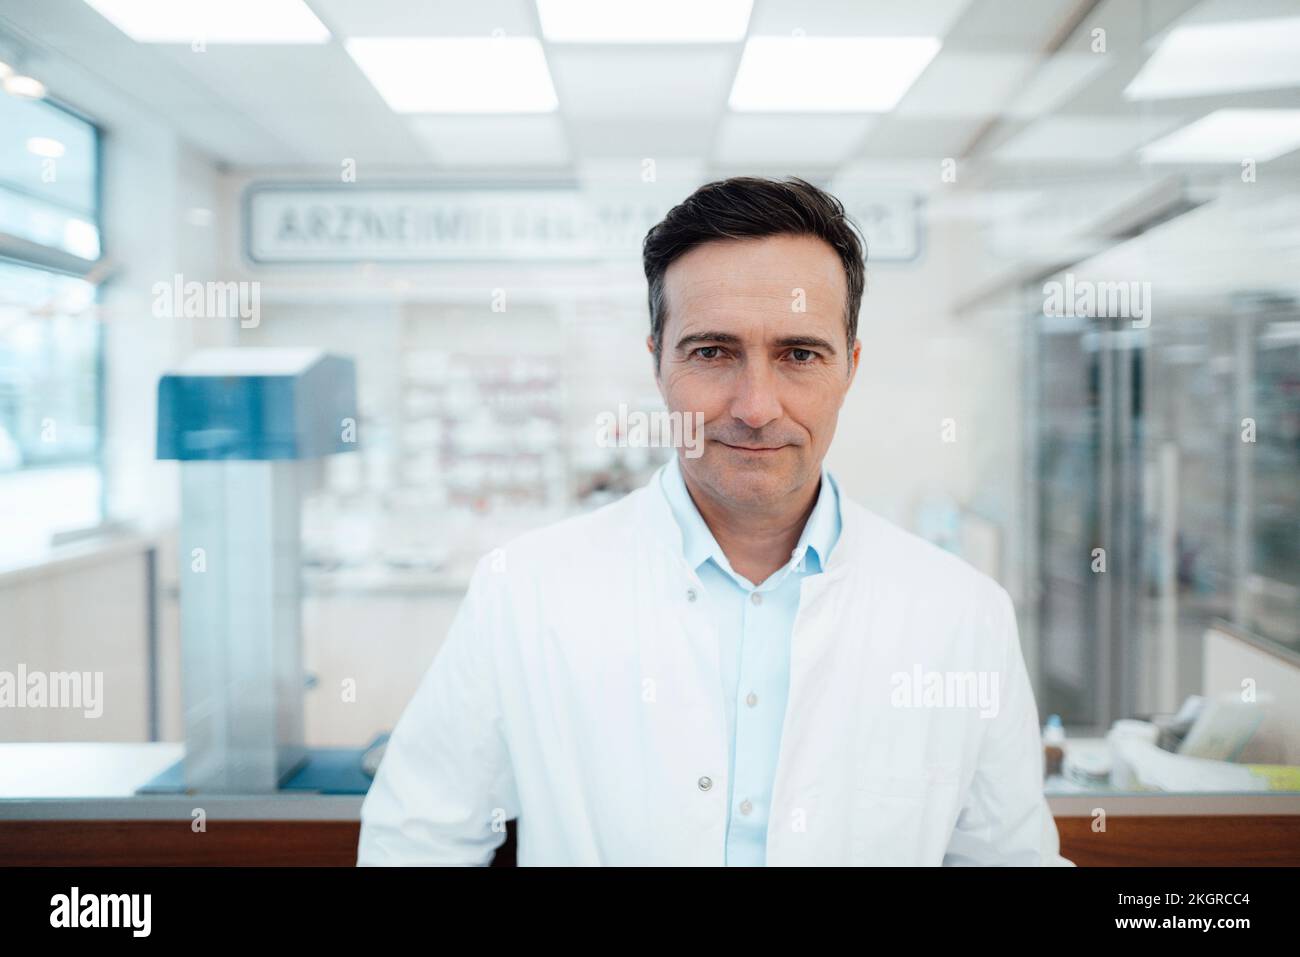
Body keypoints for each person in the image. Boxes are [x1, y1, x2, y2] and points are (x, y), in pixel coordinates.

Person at [358, 176, 1068, 866]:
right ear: (658, 364)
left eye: (798, 354)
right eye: (712, 351)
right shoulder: (524, 593)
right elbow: (417, 841)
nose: (756, 406)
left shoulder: (960, 614)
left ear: (848, 367)